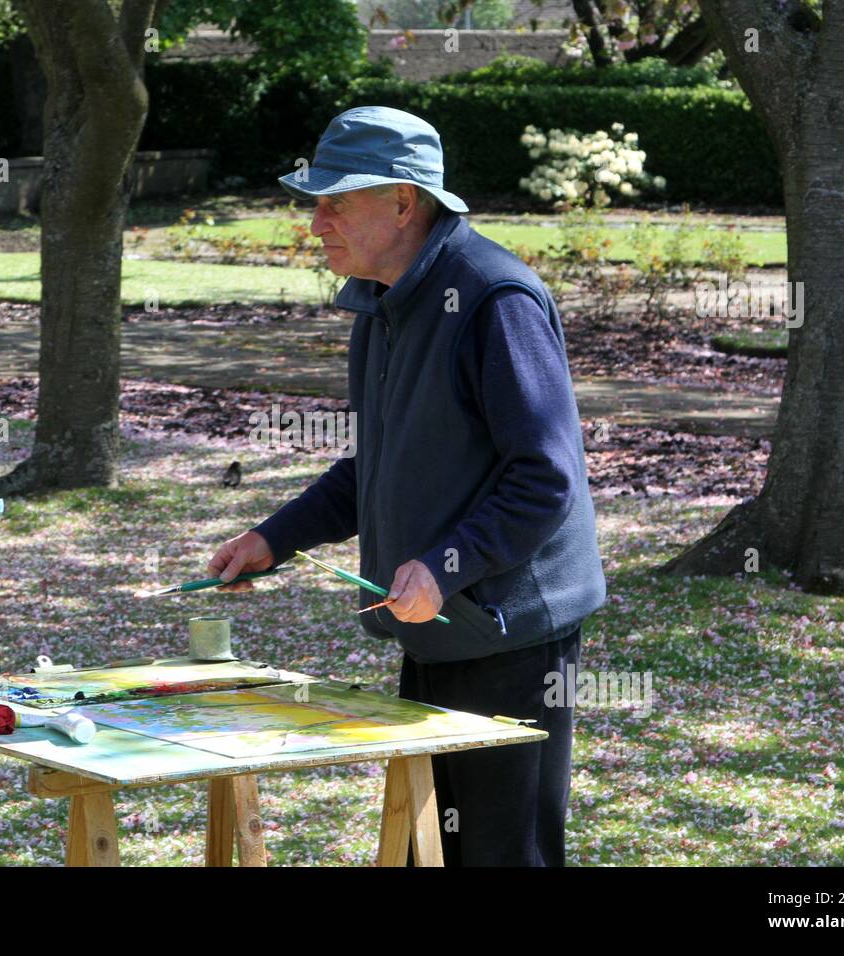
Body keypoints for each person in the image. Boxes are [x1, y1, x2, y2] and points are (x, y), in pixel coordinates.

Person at [207, 106, 606, 866]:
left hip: (511, 634)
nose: (316, 223)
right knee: (435, 850)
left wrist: (446, 565)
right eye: (315, 203)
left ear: (402, 202)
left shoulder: (495, 297)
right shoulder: (382, 300)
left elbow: (544, 475)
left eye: (336, 202)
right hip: (437, 623)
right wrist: (274, 539)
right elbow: (376, 463)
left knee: (501, 856)